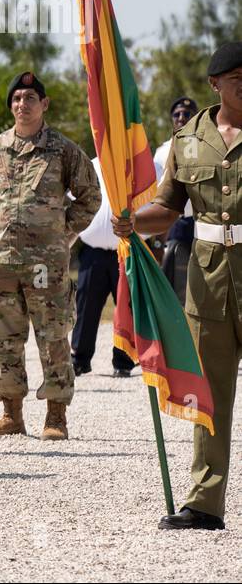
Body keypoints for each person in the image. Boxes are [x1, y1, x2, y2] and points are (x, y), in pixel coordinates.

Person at [114, 43, 242, 530]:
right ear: (214, 84)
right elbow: (167, 209)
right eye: (233, 75)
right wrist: (130, 222)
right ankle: (205, 504)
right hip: (209, 284)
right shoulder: (188, 141)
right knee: (209, 397)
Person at [0, 72, 101, 442]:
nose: (22, 104)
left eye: (30, 97)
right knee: (5, 338)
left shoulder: (63, 150)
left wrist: (61, 233)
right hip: (1, 261)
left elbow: (90, 196)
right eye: (16, 98)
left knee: (52, 336)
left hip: (47, 265)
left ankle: (56, 416)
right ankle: (10, 414)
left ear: (44, 104)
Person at [70, 157, 136, 377]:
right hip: (93, 250)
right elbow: (74, 200)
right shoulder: (89, 165)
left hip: (127, 250)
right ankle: (80, 359)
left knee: (127, 308)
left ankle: (124, 360)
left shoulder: (138, 161)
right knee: (86, 305)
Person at [154, 96, 199, 306]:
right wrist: (156, 240)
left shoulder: (207, 146)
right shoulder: (161, 152)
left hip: (203, 224)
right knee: (176, 290)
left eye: (187, 114)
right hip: (176, 226)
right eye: (177, 114)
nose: (182, 117)